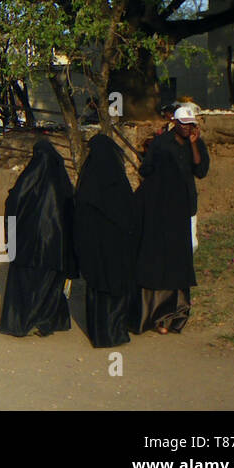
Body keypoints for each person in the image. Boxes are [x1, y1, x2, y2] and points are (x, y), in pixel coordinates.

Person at [130, 105, 209, 335]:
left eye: (190, 124)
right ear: (175, 122)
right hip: (159, 207)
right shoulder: (162, 144)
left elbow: (201, 170)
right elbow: (147, 170)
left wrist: (194, 143)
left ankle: (174, 314)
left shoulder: (195, 143)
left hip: (184, 207)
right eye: (183, 123)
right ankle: (158, 314)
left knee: (182, 254)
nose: (186, 128)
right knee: (159, 256)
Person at [0, 138, 77, 337]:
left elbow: (13, 204)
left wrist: (12, 237)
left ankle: (20, 322)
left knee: (24, 282)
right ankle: (46, 321)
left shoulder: (27, 179)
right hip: (55, 245)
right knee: (49, 284)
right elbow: (71, 212)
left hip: (27, 243)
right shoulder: (62, 182)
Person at [74, 134, 140, 348]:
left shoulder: (88, 184)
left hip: (95, 250)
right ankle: (115, 333)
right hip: (117, 249)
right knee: (116, 288)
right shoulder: (117, 182)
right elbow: (130, 214)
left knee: (97, 290)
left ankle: (99, 333)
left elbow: (80, 219)